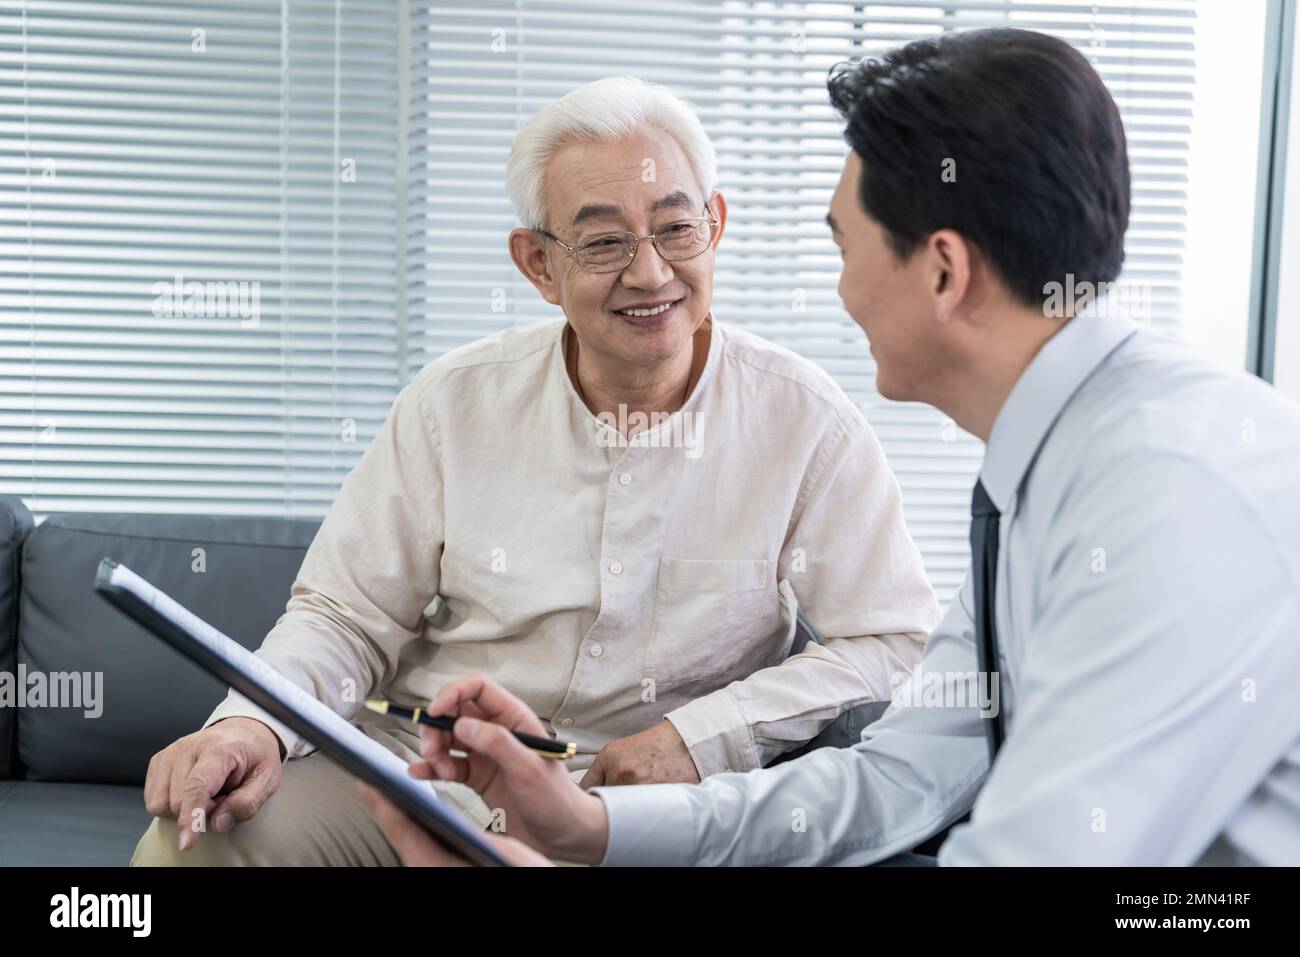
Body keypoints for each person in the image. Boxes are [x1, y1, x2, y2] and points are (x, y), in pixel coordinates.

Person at [361, 28, 1300, 867]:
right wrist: (591, 830)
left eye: (844, 243)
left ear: (942, 270)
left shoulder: (1169, 494)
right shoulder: (1047, 470)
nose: (840, 290)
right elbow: (897, 777)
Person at [131, 77, 939, 865]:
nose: (651, 273)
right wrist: (252, 725)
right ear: (538, 265)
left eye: (675, 229)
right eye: (603, 241)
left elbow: (894, 640)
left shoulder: (805, 422)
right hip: (420, 771)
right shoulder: (453, 402)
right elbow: (345, 617)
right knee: (193, 846)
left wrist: (697, 739)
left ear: (716, 225)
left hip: (641, 813)